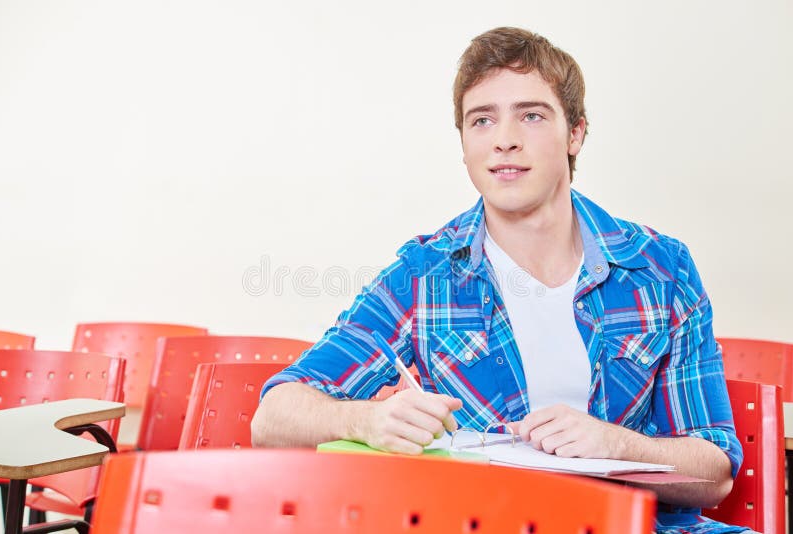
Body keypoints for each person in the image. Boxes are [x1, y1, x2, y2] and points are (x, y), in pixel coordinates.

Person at [251, 27, 748, 533]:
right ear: (465, 144)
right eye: (482, 120)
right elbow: (273, 417)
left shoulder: (660, 267)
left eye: (531, 115)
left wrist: (616, 445)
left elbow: (715, 474)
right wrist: (363, 421)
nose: (504, 140)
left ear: (575, 133)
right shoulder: (423, 274)